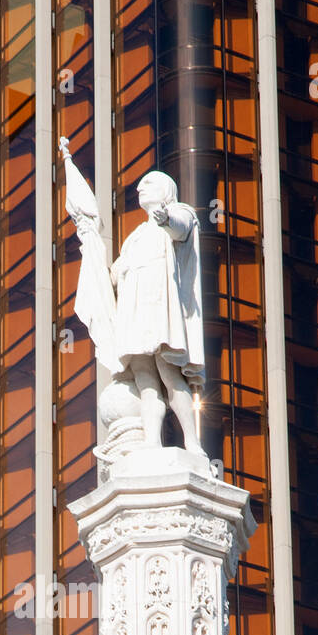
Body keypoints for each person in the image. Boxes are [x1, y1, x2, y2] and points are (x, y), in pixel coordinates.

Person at [110, 171, 205, 454]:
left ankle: (192, 441)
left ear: (166, 189)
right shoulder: (136, 236)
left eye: (148, 183)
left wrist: (165, 218)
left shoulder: (179, 212)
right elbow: (116, 274)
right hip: (134, 311)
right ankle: (152, 441)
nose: (140, 187)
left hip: (159, 306)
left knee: (169, 374)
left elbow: (181, 228)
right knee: (145, 379)